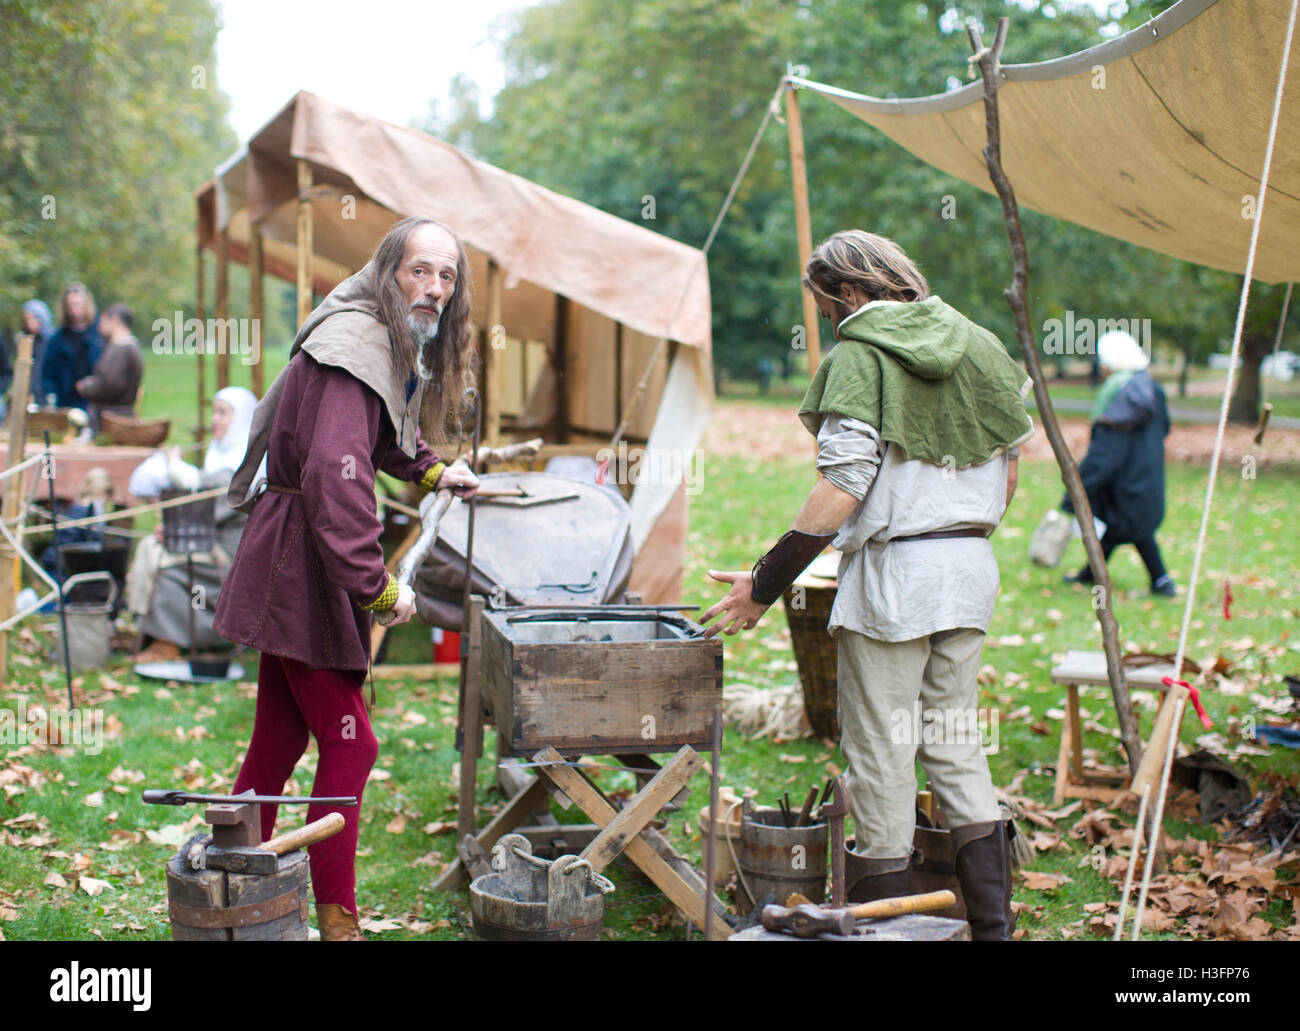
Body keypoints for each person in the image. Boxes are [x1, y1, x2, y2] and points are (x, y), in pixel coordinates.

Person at [701, 230, 1033, 941]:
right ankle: (993, 930)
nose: (828, 321)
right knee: (955, 740)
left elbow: (844, 484)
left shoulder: (860, 353)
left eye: (826, 307)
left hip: (897, 580)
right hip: (969, 569)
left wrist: (765, 583)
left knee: (882, 751)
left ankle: (891, 934)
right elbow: (1009, 472)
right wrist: (949, 532)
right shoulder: (980, 342)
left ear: (849, 292)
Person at [213, 217, 480, 941]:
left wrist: (433, 468)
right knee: (351, 742)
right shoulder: (356, 343)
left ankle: (233, 887)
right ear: (388, 269)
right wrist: (381, 589)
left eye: (447, 276)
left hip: (298, 557)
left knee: (276, 737)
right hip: (301, 563)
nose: (434, 288)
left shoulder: (375, 336)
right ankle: (336, 921)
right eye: (421, 270)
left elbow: (380, 432)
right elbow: (337, 482)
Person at [126, 386, 260, 663]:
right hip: (208, 540)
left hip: (234, 554)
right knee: (151, 547)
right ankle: (147, 630)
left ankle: (170, 642)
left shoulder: (249, 463)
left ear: (242, 418)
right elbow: (203, 505)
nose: (214, 419)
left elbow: (218, 506)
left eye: (223, 413)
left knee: (165, 564)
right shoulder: (222, 454)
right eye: (214, 411)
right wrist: (175, 528)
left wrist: (179, 526)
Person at [1062, 330, 1175, 596]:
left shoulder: (1120, 392)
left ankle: (1161, 582)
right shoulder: (1152, 387)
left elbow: (1106, 450)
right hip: (1145, 473)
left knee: (1126, 524)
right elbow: (1164, 429)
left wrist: (1079, 487)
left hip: (1124, 477)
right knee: (1123, 525)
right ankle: (1093, 574)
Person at [77, 303, 143, 429]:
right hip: (117, 416)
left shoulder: (120, 347)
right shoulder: (130, 345)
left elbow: (110, 384)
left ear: (115, 319)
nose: (99, 327)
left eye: (102, 322)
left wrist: (86, 387)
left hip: (111, 420)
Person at [41, 283, 102, 409]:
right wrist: (53, 397)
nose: (75, 311)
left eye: (79, 304)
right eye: (70, 306)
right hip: (66, 402)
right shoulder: (57, 339)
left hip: (95, 402)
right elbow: (48, 372)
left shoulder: (100, 334)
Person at [17, 300, 55, 404]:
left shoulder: (53, 341)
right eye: (26, 320)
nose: (29, 324)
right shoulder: (23, 341)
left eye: (33, 319)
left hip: (48, 393)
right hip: (30, 396)